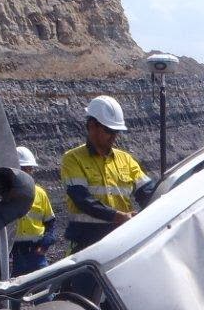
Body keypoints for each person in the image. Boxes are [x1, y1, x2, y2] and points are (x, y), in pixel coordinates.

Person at [61, 96, 156, 253]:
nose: (114, 135)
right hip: (86, 244)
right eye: (109, 130)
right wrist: (118, 216)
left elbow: (147, 191)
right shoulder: (72, 159)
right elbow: (82, 199)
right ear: (92, 125)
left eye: (116, 131)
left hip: (120, 241)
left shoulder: (125, 159)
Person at [10, 145, 57, 276]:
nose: (26, 173)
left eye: (29, 169)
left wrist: (45, 245)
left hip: (36, 254)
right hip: (14, 255)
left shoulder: (40, 193)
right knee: (16, 293)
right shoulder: (3, 195)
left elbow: (51, 223)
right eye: (23, 169)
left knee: (44, 291)